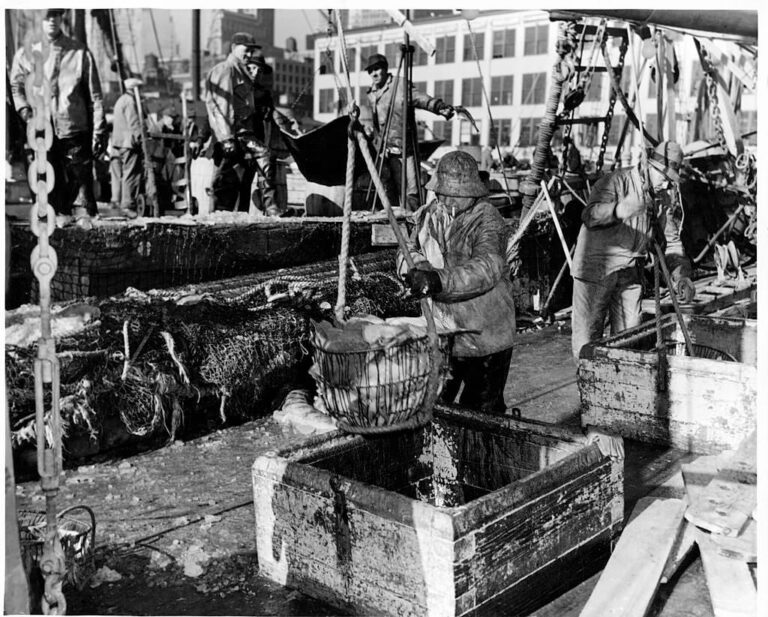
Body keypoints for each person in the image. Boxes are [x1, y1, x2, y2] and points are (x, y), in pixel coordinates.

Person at [397, 150, 516, 414]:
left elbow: (486, 268)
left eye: (454, 194)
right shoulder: (430, 214)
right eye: (442, 192)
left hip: (486, 335)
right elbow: (407, 248)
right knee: (437, 411)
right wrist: (414, 268)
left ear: (472, 192)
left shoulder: (487, 220)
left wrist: (436, 280)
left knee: (481, 416)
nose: (445, 199)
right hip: (444, 334)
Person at [571, 140, 694, 361]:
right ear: (648, 167)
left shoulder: (663, 198)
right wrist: (620, 209)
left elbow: (672, 242)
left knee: (629, 337)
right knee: (588, 338)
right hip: (597, 270)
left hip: (630, 272)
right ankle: (588, 385)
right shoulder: (616, 181)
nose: (667, 185)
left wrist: (682, 276)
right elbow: (590, 215)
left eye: (671, 180)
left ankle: (619, 387)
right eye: (664, 178)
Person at [10, 8, 107, 228]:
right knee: (47, 194)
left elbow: (95, 97)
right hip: (42, 131)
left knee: (81, 196)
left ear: (62, 17)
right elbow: (16, 86)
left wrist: (100, 130)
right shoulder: (26, 54)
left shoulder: (80, 53)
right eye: (47, 15)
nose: (52, 20)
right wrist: (26, 112)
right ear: (40, 18)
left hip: (74, 131)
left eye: (56, 14)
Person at [360, 53, 455, 212]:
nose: (374, 74)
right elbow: (373, 122)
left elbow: (420, 98)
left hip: (405, 150)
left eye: (377, 69)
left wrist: (438, 107)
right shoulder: (372, 94)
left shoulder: (400, 85)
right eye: (371, 71)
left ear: (385, 69)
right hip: (385, 151)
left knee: (412, 192)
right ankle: (391, 224)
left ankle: (413, 223)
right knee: (387, 190)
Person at [205, 33, 281, 215]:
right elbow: (219, 106)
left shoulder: (242, 74)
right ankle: (221, 215)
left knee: (262, 160)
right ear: (234, 47)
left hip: (244, 134)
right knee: (226, 181)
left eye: (251, 51)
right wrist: (226, 138)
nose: (248, 54)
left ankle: (269, 206)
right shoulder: (225, 70)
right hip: (232, 135)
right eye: (246, 50)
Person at [110, 77, 145, 218]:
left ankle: (115, 200)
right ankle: (127, 205)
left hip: (116, 143)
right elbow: (134, 122)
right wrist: (141, 138)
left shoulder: (120, 100)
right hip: (128, 143)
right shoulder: (131, 102)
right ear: (135, 89)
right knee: (130, 174)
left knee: (117, 174)